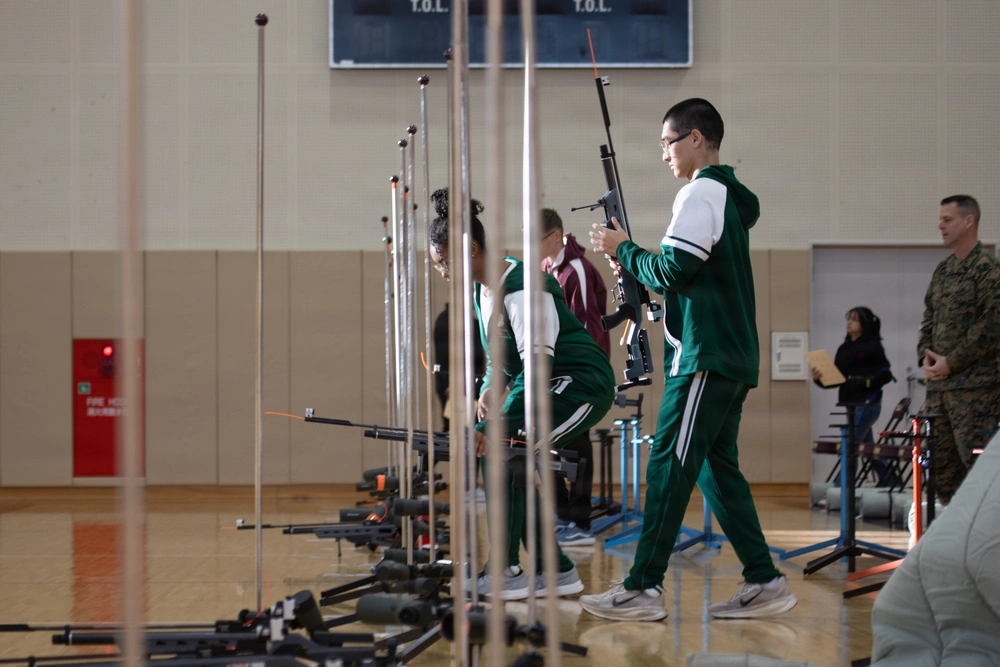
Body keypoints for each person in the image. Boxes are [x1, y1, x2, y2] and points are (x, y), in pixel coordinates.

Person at [583, 98, 796, 621]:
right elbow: (686, 274)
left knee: (669, 467)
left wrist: (625, 248)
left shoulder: (701, 192)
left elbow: (672, 269)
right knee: (714, 471)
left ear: (696, 138)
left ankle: (643, 587)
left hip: (705, 357)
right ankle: (765, 580)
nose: (664, 155)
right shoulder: (725, 196)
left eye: (668, 143)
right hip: (726, 356)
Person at [427, 188, 616, 600]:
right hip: (543, 383)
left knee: (496, 446)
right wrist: (489, 389)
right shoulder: (482, 291)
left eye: (442, 262)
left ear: (470, 249)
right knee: (503, 452)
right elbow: (501, 359)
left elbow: (537, 366)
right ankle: (555, 570)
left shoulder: (521, 287)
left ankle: (507, 568)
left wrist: (496, 428)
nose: (442, 272)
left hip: (580, 385)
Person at [917, 194, 1000, 505]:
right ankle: (955, 544)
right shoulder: (943, 271)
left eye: (947, 219)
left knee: (980, 472)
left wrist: (951, 362)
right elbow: (929, 316)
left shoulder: (988, 270)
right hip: (939, 392)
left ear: (969, 221)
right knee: (941, 473)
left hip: (974, 393)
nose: (940, 225)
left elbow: (991, 328)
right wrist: (924, 354)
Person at [539, 207, 611, 547]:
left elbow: (587, 327)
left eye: (536, 239)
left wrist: (573, 371)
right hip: (558, 371)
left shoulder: (577, 271)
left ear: (556, 236)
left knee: (577, 445)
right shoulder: (546, 268)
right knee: (547, 442)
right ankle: (562, 513)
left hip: (582, 372)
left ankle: (579, 523)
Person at [812, 307, 895, 486]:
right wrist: (819, 379)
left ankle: (840, 488)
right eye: (848, 319)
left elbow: (886, 375)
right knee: (868, 449)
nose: (849, 323)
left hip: (868, 403)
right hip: (850, 404)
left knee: (850, 447)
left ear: (863, 325)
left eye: (854, 320)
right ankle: (891, 480)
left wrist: (864, 382)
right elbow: (837, 379)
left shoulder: (873, 347)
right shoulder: (844, 348)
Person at [432, 303, 486, 431]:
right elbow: (445, 358)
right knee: (458, 431)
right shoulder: (448, 321)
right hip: (459, 389)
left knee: (468, 431)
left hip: (470, 389)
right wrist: (450, 385)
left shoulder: (471, 323)